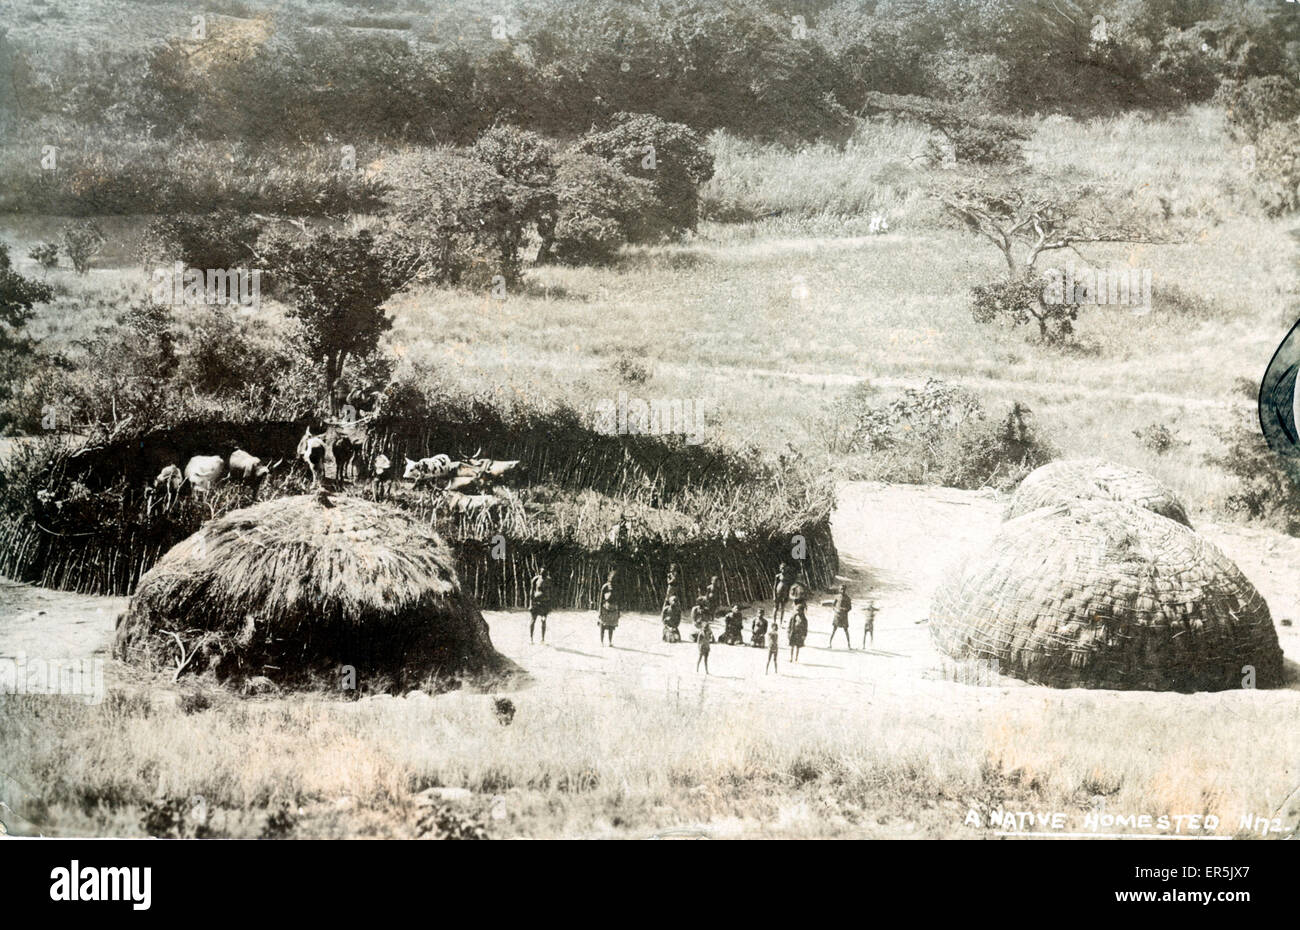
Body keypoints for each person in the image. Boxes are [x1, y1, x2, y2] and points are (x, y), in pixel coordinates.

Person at [825, 584, 852, 649]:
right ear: (839, 590)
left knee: (846, 630)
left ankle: (849, 645)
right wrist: (836, 610)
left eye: (843, 589)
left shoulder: (848, 598)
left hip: (844, 616)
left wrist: (845, 609)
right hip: (837, 615)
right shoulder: (837, 597)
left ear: (845, 590)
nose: (842, 590)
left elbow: (850, 607)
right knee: (834, 630)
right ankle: (829, 643)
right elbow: (833, 606)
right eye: (841, 589)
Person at [529, 567, 551, 643]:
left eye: (544, 573)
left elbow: (551, 593)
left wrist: (549, 606)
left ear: (547, 573)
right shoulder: (535, 579)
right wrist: (530, 604)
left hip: (544, 604)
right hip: (536, 603)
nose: (543, 574)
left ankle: (542, 639)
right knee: (533, 620)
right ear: (539, 572)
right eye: (542, 572)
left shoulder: (549, 580)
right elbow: (531, 592)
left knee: (543, 621)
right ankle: (531, 638)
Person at [598, 570, 620, 646]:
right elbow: (600, 600)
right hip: (605, 609)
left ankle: (610, 642)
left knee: (611, 626)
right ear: (608, 578)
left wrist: (618, 612)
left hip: (614, 609)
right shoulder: (605, 587)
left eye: (615, 578)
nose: (613, 580)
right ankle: (602, 642)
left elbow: (618, 600)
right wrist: (600, 611)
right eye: (612, 578)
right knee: (602, 626)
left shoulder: (617, 587)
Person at [788, 599, 808, 663]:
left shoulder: (804, 620)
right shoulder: (793, 617)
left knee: (798, 647)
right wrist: (788, 632)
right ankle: (791, 658)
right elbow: (790, 625)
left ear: (802, 611)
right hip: (793, 633)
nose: (798, 612)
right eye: (797, 610)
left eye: (799, 611)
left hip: (799, 634)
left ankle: (796, 658)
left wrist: (804, 635)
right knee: (792, 646)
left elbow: (805, 628)